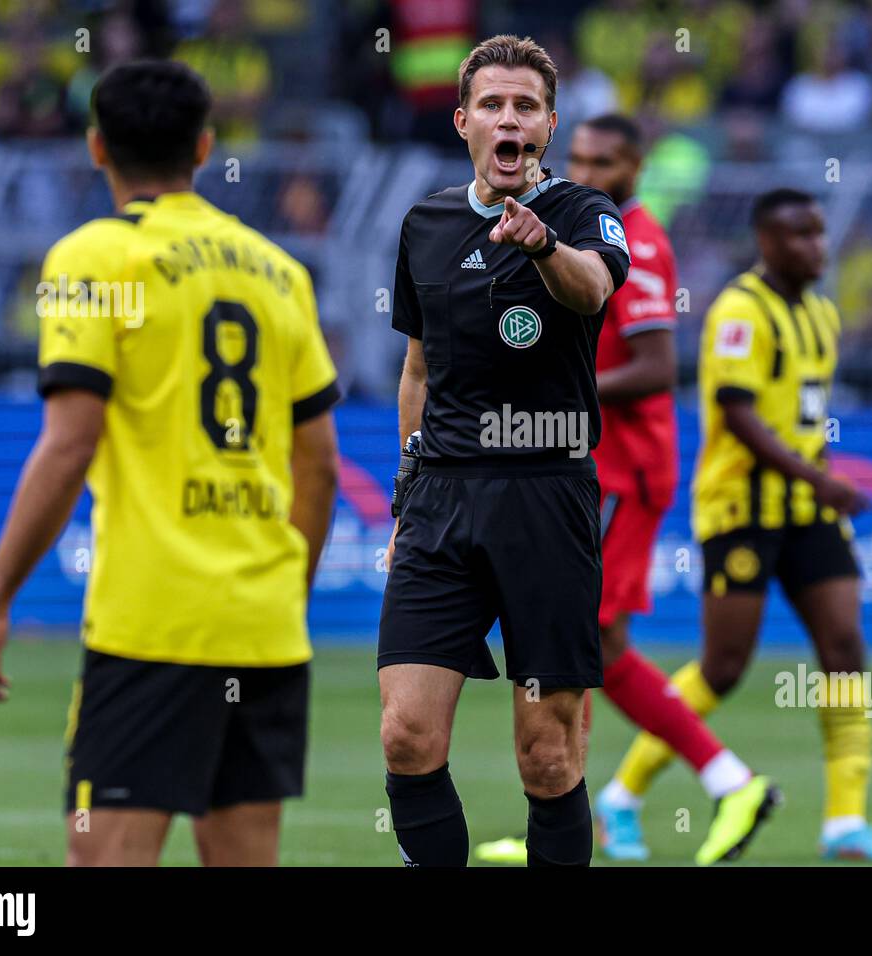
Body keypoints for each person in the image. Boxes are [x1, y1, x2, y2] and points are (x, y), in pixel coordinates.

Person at [0, 60, 342, 866]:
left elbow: (68, 443)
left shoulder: (92, 258)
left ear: (97, 148)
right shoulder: (280, 271)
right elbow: (322, 468)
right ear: (205, 146)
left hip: (153, 620)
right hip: (263, 623)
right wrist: (283, 593)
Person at [475, 113, 778, 867]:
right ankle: (630, 807)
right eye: (576, 156)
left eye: (603, 160)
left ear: (636, 168)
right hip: (598, 467)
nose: (586, 169)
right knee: (594, 645)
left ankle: (715, 784)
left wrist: (557, 392)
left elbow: (653, 366)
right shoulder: (587, 230)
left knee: (584, 642)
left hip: (624, 469)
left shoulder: (636, 242)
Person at [378, 35, 629, 868]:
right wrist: (406, 487)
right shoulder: (427, 223)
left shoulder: (585, 214)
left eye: (525, 106)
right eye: (492, 104)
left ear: (548, 125)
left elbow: (592, 290)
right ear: (463, 122)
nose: (508, 119)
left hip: (546, 496)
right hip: (440, 500)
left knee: (547, 754)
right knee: (407, 735)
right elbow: (417, 368)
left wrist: (540, 246)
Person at [610, 188, 872, 863]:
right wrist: (824, 480)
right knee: (723, 666)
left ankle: (845, 821)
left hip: (807, 514)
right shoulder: (737, 312)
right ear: (767, 243)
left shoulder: (823, 315)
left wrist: (818, 483)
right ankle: (621, 796)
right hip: (739, 510)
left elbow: (800, 417)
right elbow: (740, 417)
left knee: (844, 648)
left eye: (819, 233)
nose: (817, 247)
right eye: (801, 235)